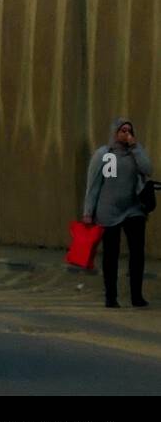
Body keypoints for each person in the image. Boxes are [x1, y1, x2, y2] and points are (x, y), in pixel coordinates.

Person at [83, 118, 152, 308]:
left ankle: (136, 296)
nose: (126, 134)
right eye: (122, 130)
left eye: (129, 130)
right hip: (109, 211)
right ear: (115, 133)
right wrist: (88, 211)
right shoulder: (104, 155)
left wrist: (136, 148)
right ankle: (111, 296)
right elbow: (93, 184)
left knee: (137, 253)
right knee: (111, 255)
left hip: (133, 209)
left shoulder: (135, 153)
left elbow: (148, 170)